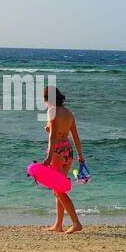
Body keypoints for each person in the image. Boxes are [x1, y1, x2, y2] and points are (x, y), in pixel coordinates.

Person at [40, 85, 83, 233]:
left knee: (59, 190)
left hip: (57, 154)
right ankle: (58, 225)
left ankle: (76, 223)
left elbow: (52, 136)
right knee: (57, 189)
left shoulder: (52, 111)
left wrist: (48, 156)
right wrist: (80, 156)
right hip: (68, 152)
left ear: (47, 99)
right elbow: (75, 136)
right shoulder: (69, 113)